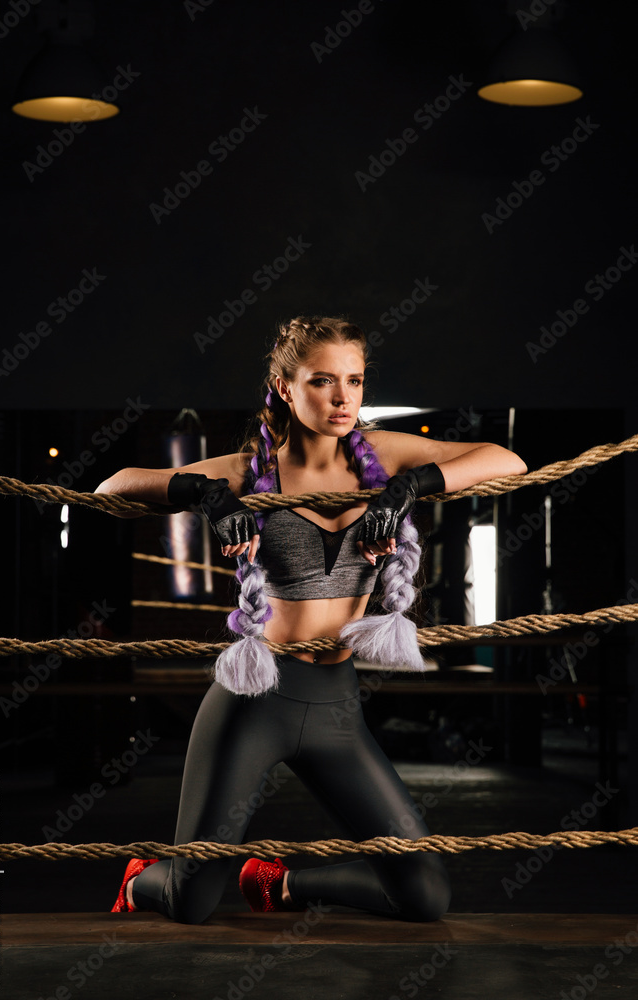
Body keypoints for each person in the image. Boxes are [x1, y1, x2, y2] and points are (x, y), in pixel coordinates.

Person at [95, 315, 527, 924]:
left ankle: (282, 885)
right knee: (190, 902)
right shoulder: (250, 472)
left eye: (354, 380)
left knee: (424, 894)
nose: (343, 398)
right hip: (255, 700)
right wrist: (206, 495)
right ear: (285, 386)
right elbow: (110, 489)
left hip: (336, 706)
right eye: (323, 381)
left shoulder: (384, 455)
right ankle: (142, 879)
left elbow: (509, 461)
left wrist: (409, 488)